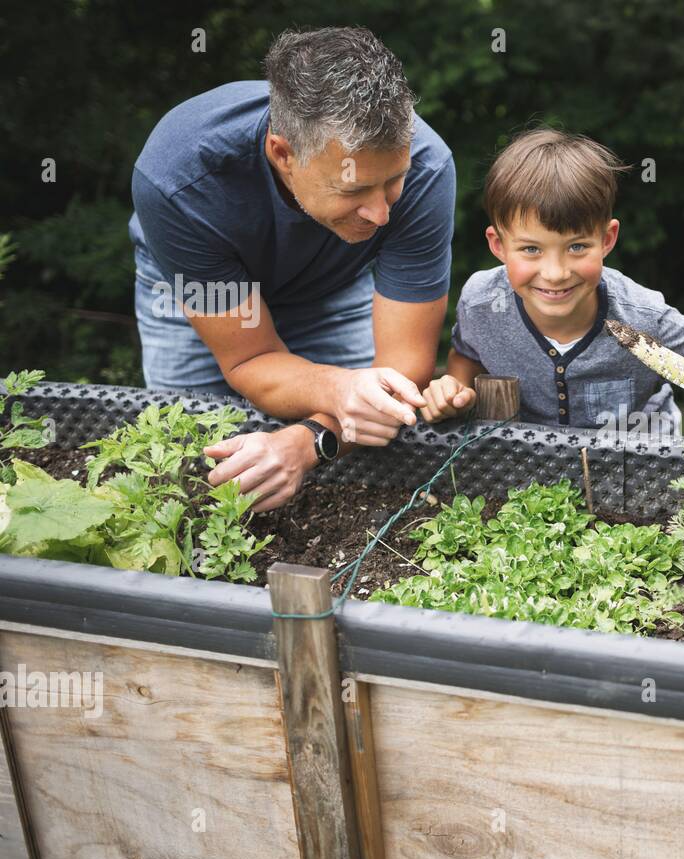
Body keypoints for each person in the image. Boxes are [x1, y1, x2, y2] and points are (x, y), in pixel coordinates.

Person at [128, 26, 455, 510]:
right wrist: (339, 387)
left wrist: (306, 443)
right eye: (353, 191)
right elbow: (247, 359)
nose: (382, 214)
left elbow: (401, 373)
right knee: (195, 476)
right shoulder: (178, 179)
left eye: (392, 181)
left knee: (362, 471)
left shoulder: (427, 168)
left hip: (332, 287)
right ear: (282, 153)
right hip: (197, 298)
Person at [420, 128, 684, 434]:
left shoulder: (642, 316)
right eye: (530, 249)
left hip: (650, 467)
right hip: (531, 474)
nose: (555, 273)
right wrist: (455, 390)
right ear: (498, 245)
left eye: (576, 246)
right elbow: (467, 355)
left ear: (607, 240)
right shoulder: (481, 304)